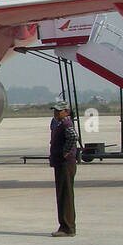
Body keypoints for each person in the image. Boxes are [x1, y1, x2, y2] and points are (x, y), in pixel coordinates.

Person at [49, 99, 78, 237]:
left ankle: (67, 228)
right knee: (62, 194)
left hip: (65, 164)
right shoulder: (59, 123)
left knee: (65, 195)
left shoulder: (66, 123)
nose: (55, 113)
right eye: (55, 110)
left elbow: (73, 136)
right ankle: (65, 225)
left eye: (58, 111)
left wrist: (66, 151)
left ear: (66, 111)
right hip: (60, 163)